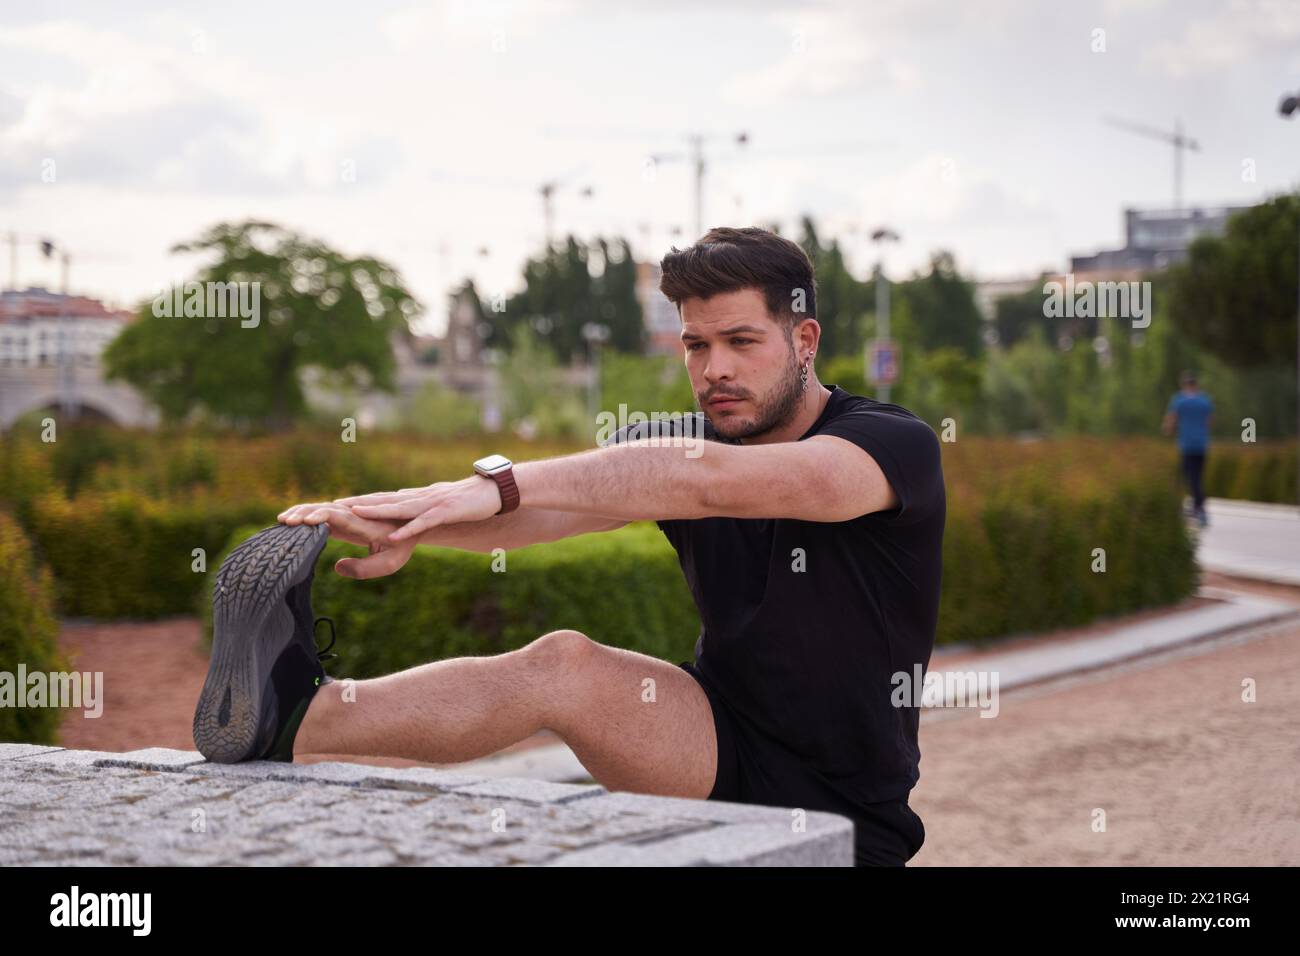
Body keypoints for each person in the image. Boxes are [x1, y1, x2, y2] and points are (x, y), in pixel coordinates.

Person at [258, 227, 946, 866]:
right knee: (563, 664)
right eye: (696, 345)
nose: (714, 370)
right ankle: (292, 718)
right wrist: (400, 519)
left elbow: (707, 482)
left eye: (741, 341)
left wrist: (497, 481)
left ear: (804, 339)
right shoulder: (675, 444)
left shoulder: (888, 444)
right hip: (712, 740)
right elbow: (537, 513)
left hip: (848, 806)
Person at [1162, 370, 1214, 527]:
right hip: (1202, 444)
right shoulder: (1205, 401)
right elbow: (1210, 422)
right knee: (1198, 475)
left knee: (1191, 477)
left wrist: (1167, 430)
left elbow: (1171, 420)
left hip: (1187, 445)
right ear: (1196, 384)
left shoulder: (1179, 401)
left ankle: (1200, 509)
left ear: (1184, 384)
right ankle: (1195, 507)